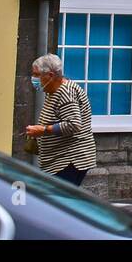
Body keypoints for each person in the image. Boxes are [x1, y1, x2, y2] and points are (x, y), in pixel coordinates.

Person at [25, 54, 97, 186]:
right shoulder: (52, 90)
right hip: (59, 161)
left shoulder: (65, 93)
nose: (33, 78)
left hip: (69, 161)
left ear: (50, 75)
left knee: (60, 201)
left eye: (36, 74)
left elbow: (74, 124)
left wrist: (43, 130)